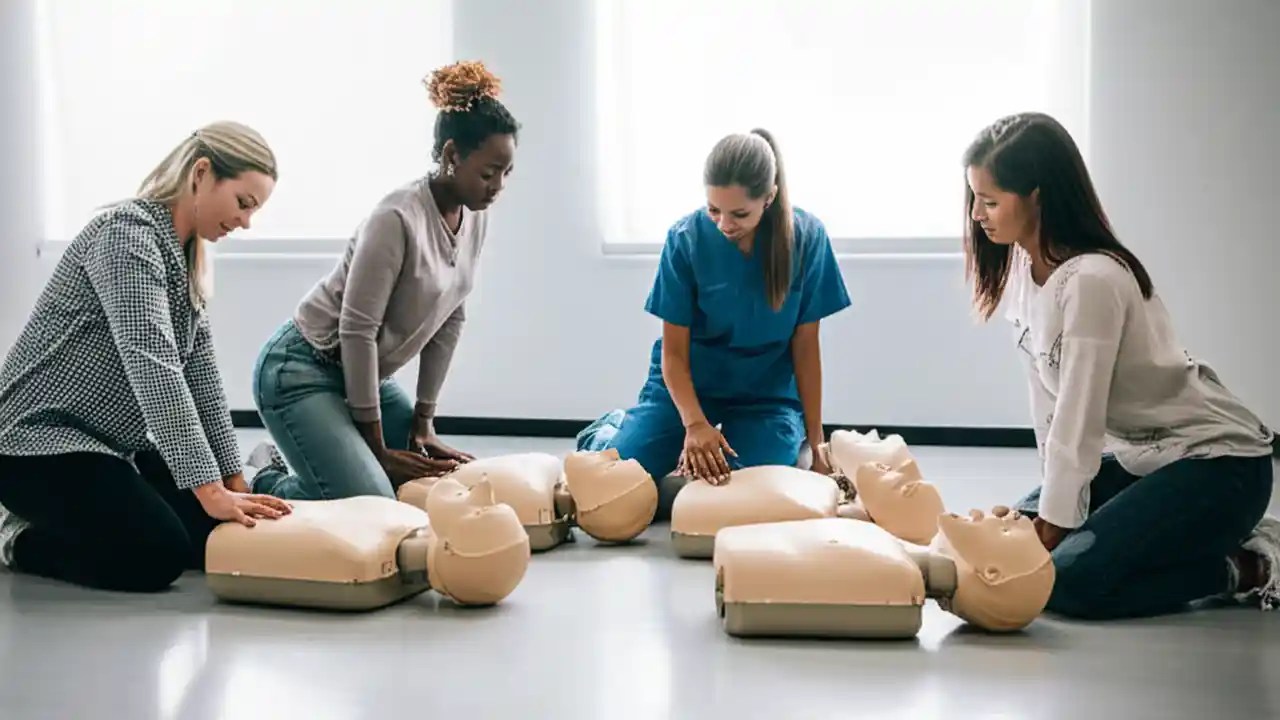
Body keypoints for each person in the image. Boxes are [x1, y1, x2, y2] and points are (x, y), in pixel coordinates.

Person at [963, 111, 1279, 618]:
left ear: (1038, 196)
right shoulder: (1025, 269)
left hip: (1220, 467)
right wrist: (1046, 512)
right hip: (1144, 461)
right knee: (1021, 534)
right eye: (974, 196)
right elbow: (1047, 407)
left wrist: (1058, 525)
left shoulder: (1092, 280)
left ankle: (1247, 564)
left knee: (1066, 582)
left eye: (991, 200)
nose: (977, 213)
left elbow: (1078, 413)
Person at [0, 121, 292, 593]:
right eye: (243, 203)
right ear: (201, 174)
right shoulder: (125, 238)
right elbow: (154, 369)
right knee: (156, 554)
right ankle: (17, 537)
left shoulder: (185, 256)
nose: (246, 222)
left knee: (211, 538)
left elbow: (202, 378)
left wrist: (233, 482)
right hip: (34, 445)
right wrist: (209, 489)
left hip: (107, 445)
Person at [246, 61, 520, 501]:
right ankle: (265, 475)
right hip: (301, 370)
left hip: (364, 377)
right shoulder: (396, 217)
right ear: (451, 157)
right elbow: (357, 331)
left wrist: (423, 423)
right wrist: (376, 449)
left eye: (506, 174)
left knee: (431, 473)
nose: (497, 187)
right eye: (488, 173)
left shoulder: (474, 217)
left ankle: (332, 453)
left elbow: (450, 321)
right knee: (372, 497)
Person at [577, 129, 851, 492]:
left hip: (765, 393)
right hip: (692, 381)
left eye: (739, 213)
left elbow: (805, 348)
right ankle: (612, 429)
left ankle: (783, 440)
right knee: (619, 471)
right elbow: (673, 353)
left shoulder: (808, 238)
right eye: (713, 210)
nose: (724, 224)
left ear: (769, 197)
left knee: (741, 483)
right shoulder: (685, 239)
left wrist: (818, 444)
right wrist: (694, 424)